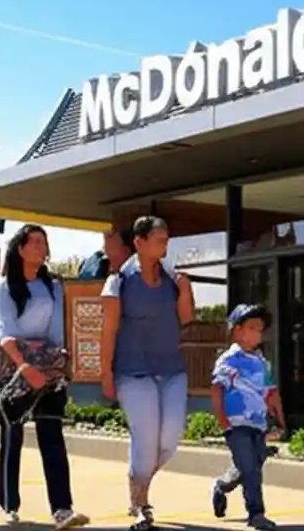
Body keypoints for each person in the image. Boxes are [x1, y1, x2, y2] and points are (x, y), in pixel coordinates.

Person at [100, 216, 197, 531]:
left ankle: (136, 483)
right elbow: (109, 329)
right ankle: (140, 502)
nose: (165, 245)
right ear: (139, 243)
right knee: (145, 439)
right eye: (159, 239)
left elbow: (186, 318)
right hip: (133, 371)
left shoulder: (172, 277)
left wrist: (185, 289)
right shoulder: (120, 281)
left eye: (167, 239)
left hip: (171, 369)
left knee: (169, 440)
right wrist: (105, 373)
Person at [0, 224, 90, 529]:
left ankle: (62, 508)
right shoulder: (4, 285)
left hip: (48, 360)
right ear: (20, 248)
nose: (39, 247)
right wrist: (25, 366)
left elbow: (58, 330)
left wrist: (57, 362)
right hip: (15, 363)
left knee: (52, 433)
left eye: (43, 242)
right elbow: (4, 331)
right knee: (14, 433)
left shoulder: (53, 286)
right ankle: (10, 504)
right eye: (33, 242)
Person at [210, 304, 283, 530]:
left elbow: (271, 392)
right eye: (252, 328)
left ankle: (222, 485)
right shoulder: (229, 360)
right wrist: (222, 419)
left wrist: (280, 420)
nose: (257, 333)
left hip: (258, 423)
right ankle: (256, 513)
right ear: (238, 330)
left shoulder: (262, 362)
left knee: (254, 462)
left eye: (260, 329)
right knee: (250, 469)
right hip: (237, 423)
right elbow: (217, 389)